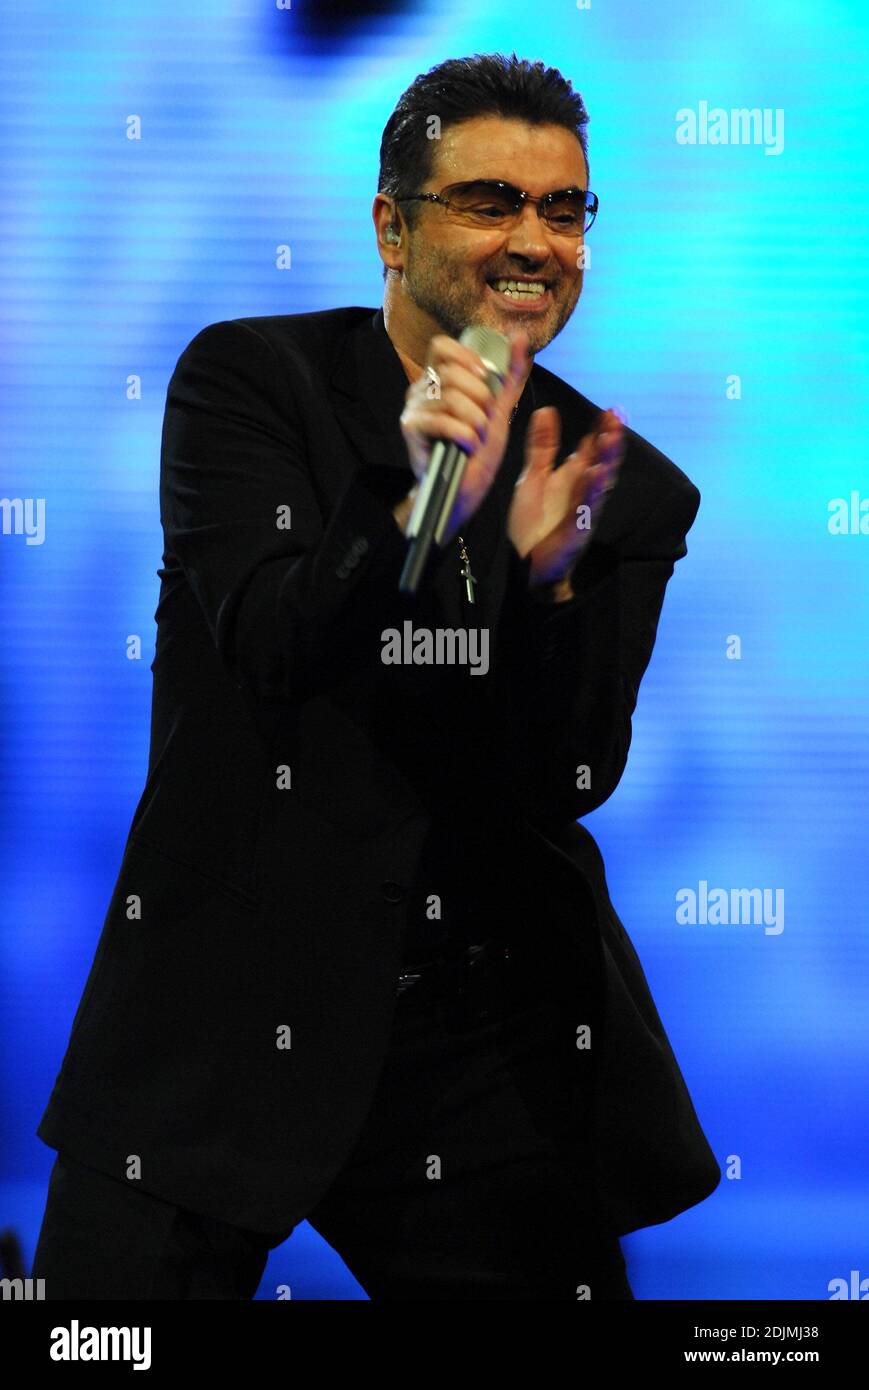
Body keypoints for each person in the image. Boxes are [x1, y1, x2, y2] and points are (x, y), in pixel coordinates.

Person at [31, 52, 720, 1301]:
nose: (534, 241)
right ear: (390, 229)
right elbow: (274, 644)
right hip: (219, 1012)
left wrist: (550, 593)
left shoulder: (618, 483)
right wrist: (416, 489)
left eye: (563, 211)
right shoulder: (252, 384)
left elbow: (567, 775)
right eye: (489, 201)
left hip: (477, 1043)